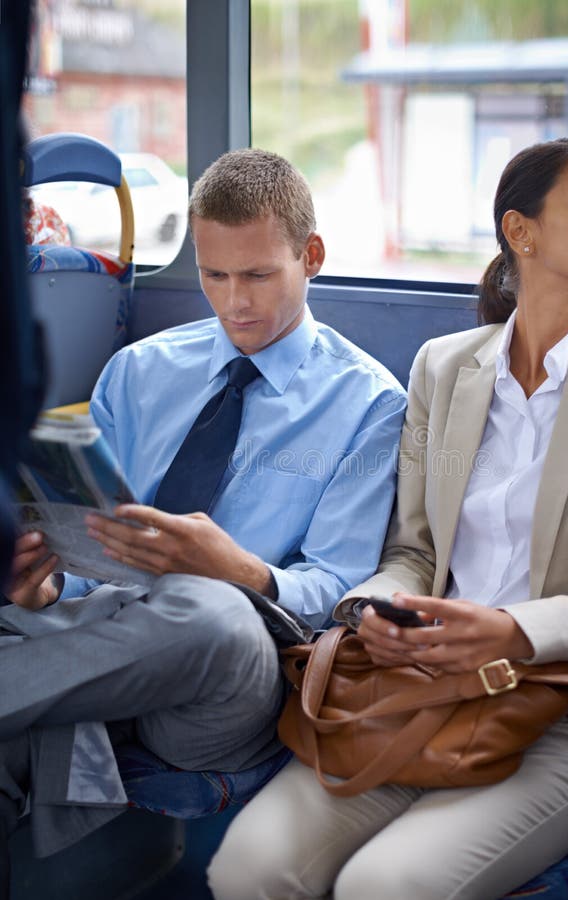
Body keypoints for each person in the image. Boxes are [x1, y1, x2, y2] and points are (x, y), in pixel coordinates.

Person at [207, 137, 568, 900]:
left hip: (565, 717)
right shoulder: (444, 367)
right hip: (412, 691)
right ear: (521, 231)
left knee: (385, 886)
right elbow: (412, 549)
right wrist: (377, 607)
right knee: (247, 868)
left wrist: (512, 631)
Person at [0, 148, 406, 863]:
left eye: (256, 275)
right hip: (101, 642)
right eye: (213, 276)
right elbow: (93, 546)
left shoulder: (370, 404)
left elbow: (339, 591)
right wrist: (50, 583)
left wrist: (240, 570)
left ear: (310, 256)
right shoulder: (139, 371)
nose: (234, 303)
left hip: (225, 679)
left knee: (213, 612)